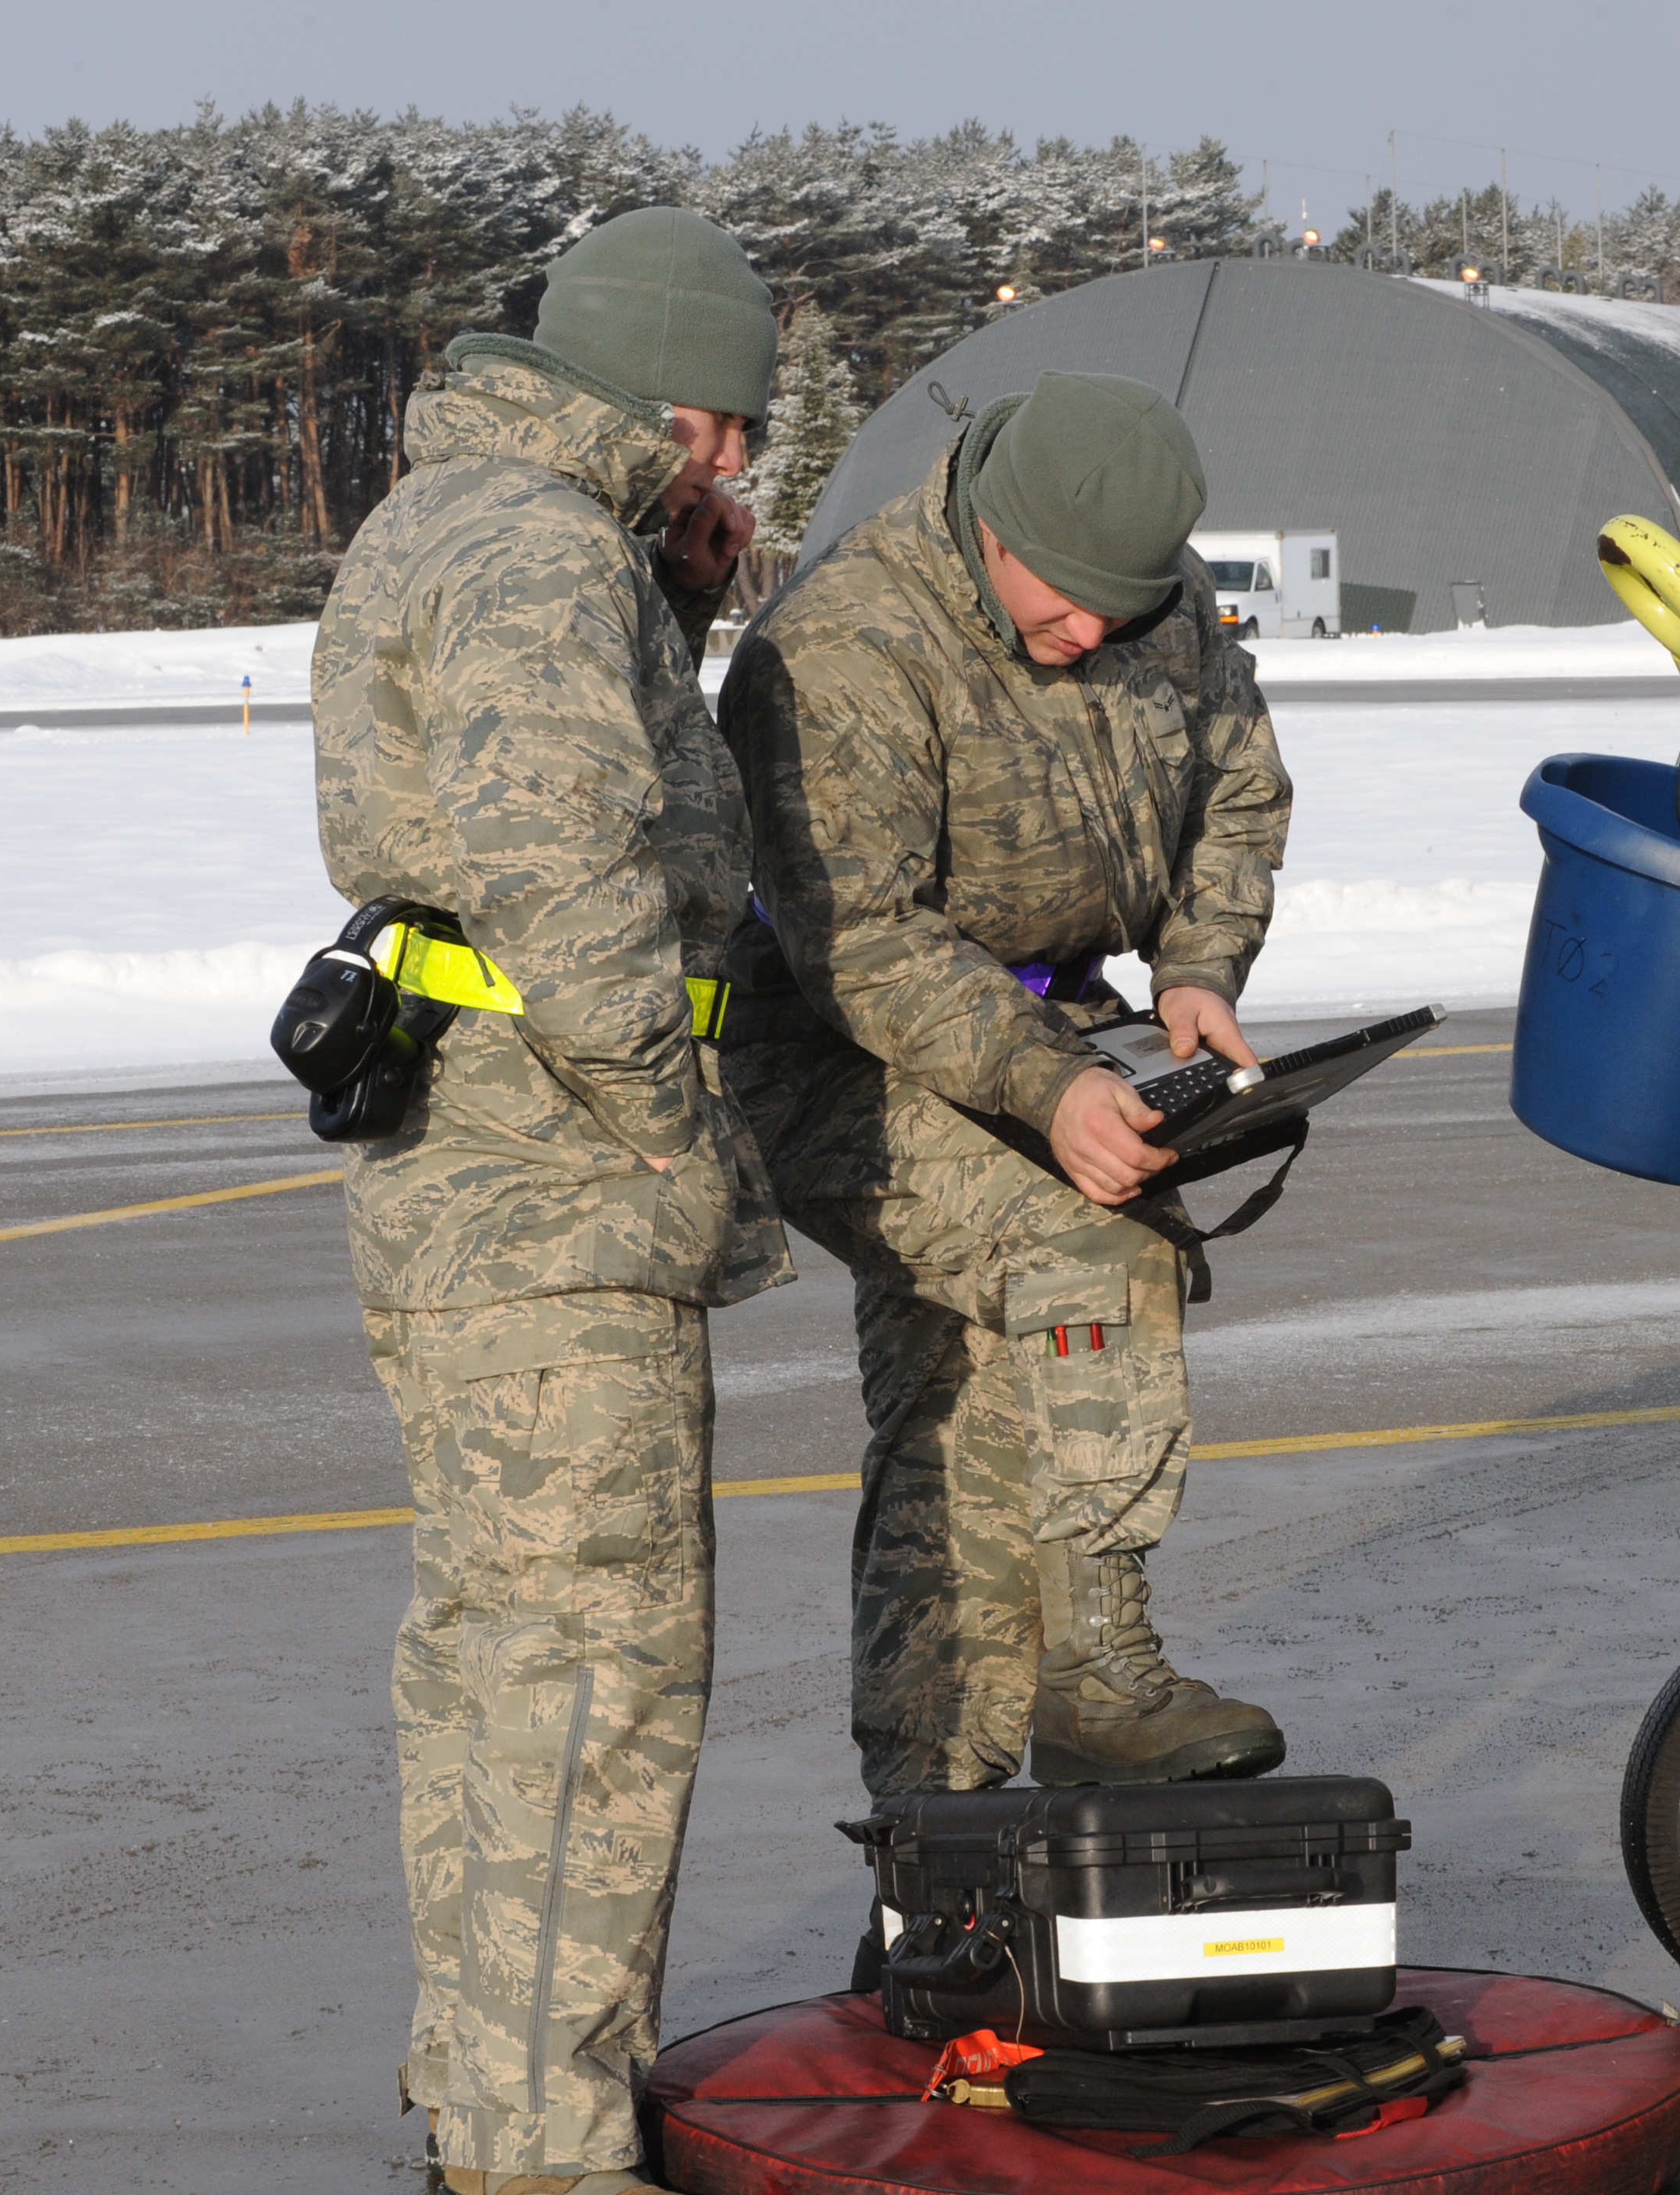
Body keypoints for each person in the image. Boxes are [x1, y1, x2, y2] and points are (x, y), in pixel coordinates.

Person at [309, 205, 790, 2195]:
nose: (748, 472)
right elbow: (568, 874)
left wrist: (670, 608)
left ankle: (499, 2097)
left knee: (507, 1679)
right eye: (735, 433)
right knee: (587, 1690)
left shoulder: (512, 527)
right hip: (554, 1184)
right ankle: (541, 2146)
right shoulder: (524, 548)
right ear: (665, 402)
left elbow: (571, 779)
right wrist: (679, 1133)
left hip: (490, 1181)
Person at [716, 370, 1293, 1812]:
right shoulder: (845, 641)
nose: (1091, 633)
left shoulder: (1157, 606)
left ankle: (937, 1848)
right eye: (1064, 600)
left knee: (963, 1422)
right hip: (837, 1045)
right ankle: (1098, 1670)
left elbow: (1236, 783)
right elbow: (862, 936)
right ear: (986, 521)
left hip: (1062, 1014)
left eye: (1122, 607)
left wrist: (1197, 969)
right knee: (1088, 1239)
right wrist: (1052, 1092)